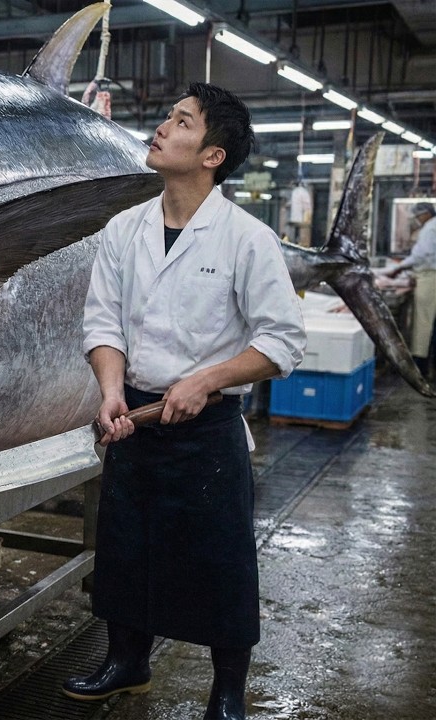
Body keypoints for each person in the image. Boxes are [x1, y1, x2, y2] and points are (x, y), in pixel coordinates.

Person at [67, 83, 307, 720]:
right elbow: (103, 324)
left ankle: (227, 691)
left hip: (208, 430)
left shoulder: (246, 238)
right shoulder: (124, 229)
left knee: (220, 561)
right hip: (135, 418)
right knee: (126, 551)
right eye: (168, 118)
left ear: (211, 156)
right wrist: (111, 391)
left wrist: (207, 379)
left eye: (182, 122)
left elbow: (283, 341)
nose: (161, 128)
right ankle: (127, 663)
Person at [384, 202, 436, 375]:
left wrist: (398, 267)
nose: (417, 220)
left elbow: (421, 255)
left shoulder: (430, 228)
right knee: (429, 321)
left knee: (423, 322)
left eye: (418, 216)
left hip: (429, 278)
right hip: (429, 275)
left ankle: (420, 365)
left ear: (426, 214)